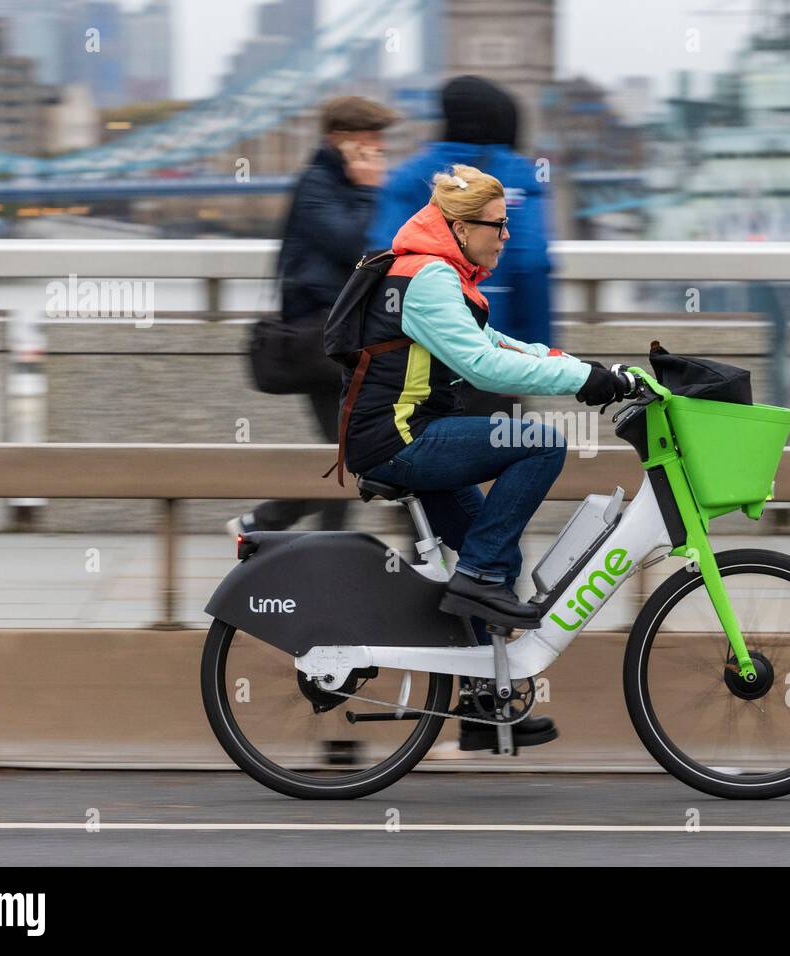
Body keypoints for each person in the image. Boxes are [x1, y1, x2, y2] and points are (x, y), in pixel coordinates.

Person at [344, 164, 629, 751]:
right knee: (541, 442)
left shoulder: (441, 272)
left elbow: (498, 345)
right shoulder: (426, 278)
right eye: (497, 226)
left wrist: (594, 370)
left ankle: (483, 707)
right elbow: (483, 367)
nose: (506, 237)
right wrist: (580, 380)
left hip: (416, 433)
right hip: (400, 440)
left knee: (497, 559)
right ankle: (472, 582)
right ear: (460, 226)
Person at [228, 95, 399, 539]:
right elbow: (353, 244)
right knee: (351, 452)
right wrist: (367, 188)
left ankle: (296, 534)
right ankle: (269, 524)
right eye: (369, 140)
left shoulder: (339, 181)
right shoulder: (318, 184)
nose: (378, 150)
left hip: (347, 339)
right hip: (321, 341)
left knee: (346, 451)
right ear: (339, 139)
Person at [367, 75, 553, 417]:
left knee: (420, 456)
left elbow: (381, 261)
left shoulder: (409, 176)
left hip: (412, 359)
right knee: (516, 452)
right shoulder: (516, 175)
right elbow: (531, 264)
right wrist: (535, 351)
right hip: (492, 358)